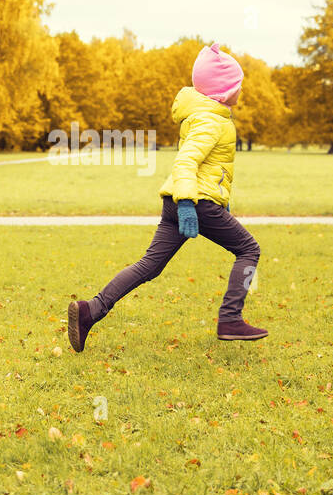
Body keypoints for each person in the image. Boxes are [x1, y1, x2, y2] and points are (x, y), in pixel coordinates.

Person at [67, 42, 267, 351]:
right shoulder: (211, 121)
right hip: (194, 203)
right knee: (249, 250)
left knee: (150, 265)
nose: (241, 91)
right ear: (225, 91)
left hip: (180, 201)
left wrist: (213, 198)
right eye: (237, 86)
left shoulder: (204, 116)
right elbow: (186, 161)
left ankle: (90, 309)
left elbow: (208, 165)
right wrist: (189, 204)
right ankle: (230, 318)